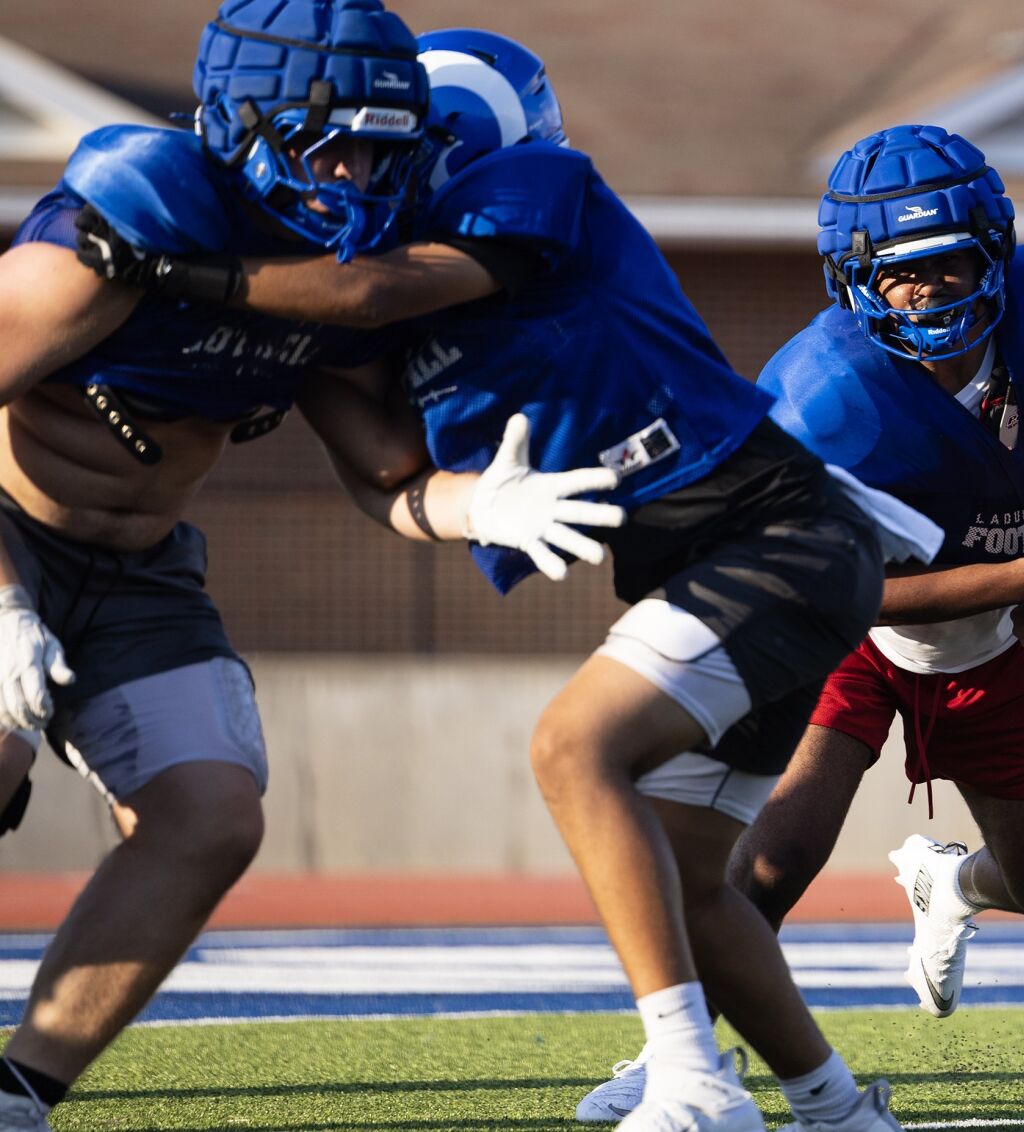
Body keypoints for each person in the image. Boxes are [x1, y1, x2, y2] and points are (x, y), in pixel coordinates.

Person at [77, 31, 927, 1132]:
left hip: (772, 529)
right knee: (690, 886)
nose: (361, 178)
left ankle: (691, 1080)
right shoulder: (372, 295)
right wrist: (460, 494)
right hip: (720, 555)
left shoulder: (532, 194)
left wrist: (187, 272)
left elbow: (371, 292)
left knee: (573, 747)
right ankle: (836, 1108)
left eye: (384, 155)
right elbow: (385, 469)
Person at [576, 122, 1024, 1120]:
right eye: (899, 273)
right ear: (852, 279)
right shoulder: (824, 396)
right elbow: (841, 592)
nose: (926, 291)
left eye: (947, 261)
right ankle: (676, 1053)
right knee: (768, 861)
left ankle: (948, 886)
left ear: (996, 249)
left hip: (998, 654)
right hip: (850, 638)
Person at [0, 3, 441, 1129]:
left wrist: (493, 498)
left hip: (140, 571)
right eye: (327, 145)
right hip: (10, 531)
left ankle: (20, 1089)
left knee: (211, 816)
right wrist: (1, 599)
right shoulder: (117, 235)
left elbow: (386, 473)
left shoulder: (337, 273)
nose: (352, 177)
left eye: (378, 150)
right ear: (245, 128)